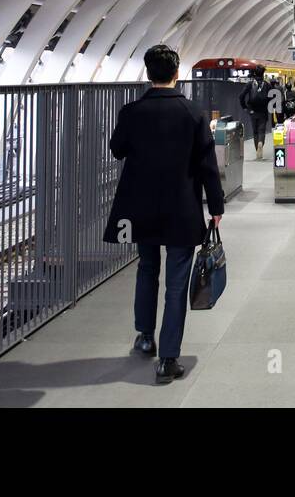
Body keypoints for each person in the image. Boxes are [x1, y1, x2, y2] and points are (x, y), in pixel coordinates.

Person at [103, 44, 224, 385]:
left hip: (139, 209)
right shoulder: (194, 113)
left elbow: (117, 149)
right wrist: (215, 207)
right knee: (176, 283)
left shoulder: (131, 112)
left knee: (146, 269)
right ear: (176, 74)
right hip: (181, 209)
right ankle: (168, 359)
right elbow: (207, 167)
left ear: (148, 73)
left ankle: (144, 336)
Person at [238, 65, 275, 160]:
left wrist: (245, 107)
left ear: (254, 73)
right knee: (261, 130)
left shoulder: (250, 84)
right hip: (263, 111)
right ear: (263, 73)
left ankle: (257, 150)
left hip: (252, 110)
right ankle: (260, 143)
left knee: (255, 132)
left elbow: (241, 96)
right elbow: (273, 96)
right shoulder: (267, 84)